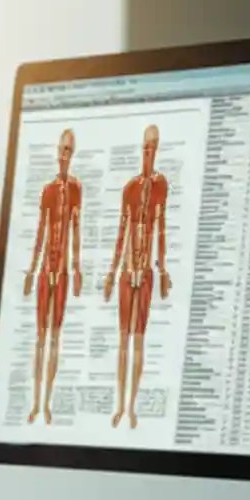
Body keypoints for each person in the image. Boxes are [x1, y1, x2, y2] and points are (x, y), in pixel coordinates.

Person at [103, 125, 171, 429]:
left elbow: (161, 227)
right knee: (122, 341)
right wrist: (112, 272)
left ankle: (131, 408)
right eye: (145, 145)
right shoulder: (130, 188)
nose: (149, 151)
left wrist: (163, 268)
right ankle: (118, 406)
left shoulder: (160, 186)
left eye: (153, 146)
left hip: (144, 273)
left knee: (139, 341)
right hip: (128, 269)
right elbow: (122, 233)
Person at [22, 129, 82, 425]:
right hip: (47, 270)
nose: (64, 154)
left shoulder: (76, 189)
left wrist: (78, 268)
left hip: (62, 272)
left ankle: (47, 403)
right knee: (40, 339)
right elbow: (40, 232)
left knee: (55, 337)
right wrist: (32, 271)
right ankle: (35, 402)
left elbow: (76, 231)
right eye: (62, 148)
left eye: (69, 150)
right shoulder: (47, 190)